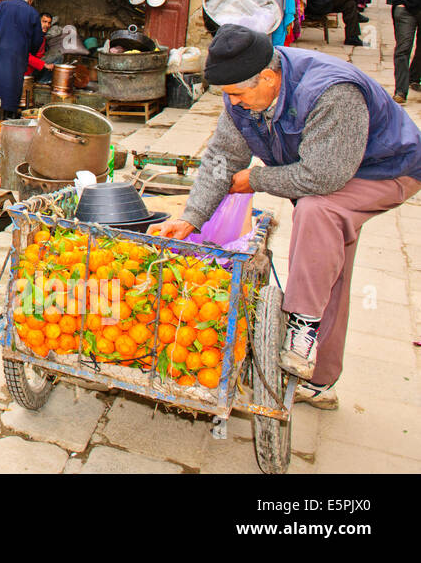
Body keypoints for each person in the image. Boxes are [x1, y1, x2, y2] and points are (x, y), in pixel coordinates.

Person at [151, 25, 421, 410]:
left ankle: (302, 324)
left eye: (240, 96)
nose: (236, 104)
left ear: (269, 77)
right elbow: (222, 158)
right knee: (326, 259)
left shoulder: (332, 94)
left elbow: (324, 176)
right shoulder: (243, 95)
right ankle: (318, 378)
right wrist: (191, 218)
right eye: (230, 97)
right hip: (329, 167)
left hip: (387, 169)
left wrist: (256, 179)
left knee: (318, 209)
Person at [0, 0, 45, 118]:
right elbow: (37, 38)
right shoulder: (33, 13)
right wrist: (31, 50)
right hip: (17, 55)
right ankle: (8, 114)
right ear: (30, 1)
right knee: (12, 82)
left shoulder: (2, 5)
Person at [389, 0, 421, 102]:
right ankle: (401, 91)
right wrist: (398, 2)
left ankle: (414, 79)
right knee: (403, 49)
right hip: (406, 8)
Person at [27, 11, 55, 84]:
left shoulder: (42, 37)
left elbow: (40, 54)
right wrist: (45, 65)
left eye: (49, 23)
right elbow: (25, 55)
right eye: (44, 22)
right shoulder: (32, 36)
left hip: (36, 64)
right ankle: (42, 82)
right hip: (27, 69)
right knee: (58, 56)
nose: (47, 25)